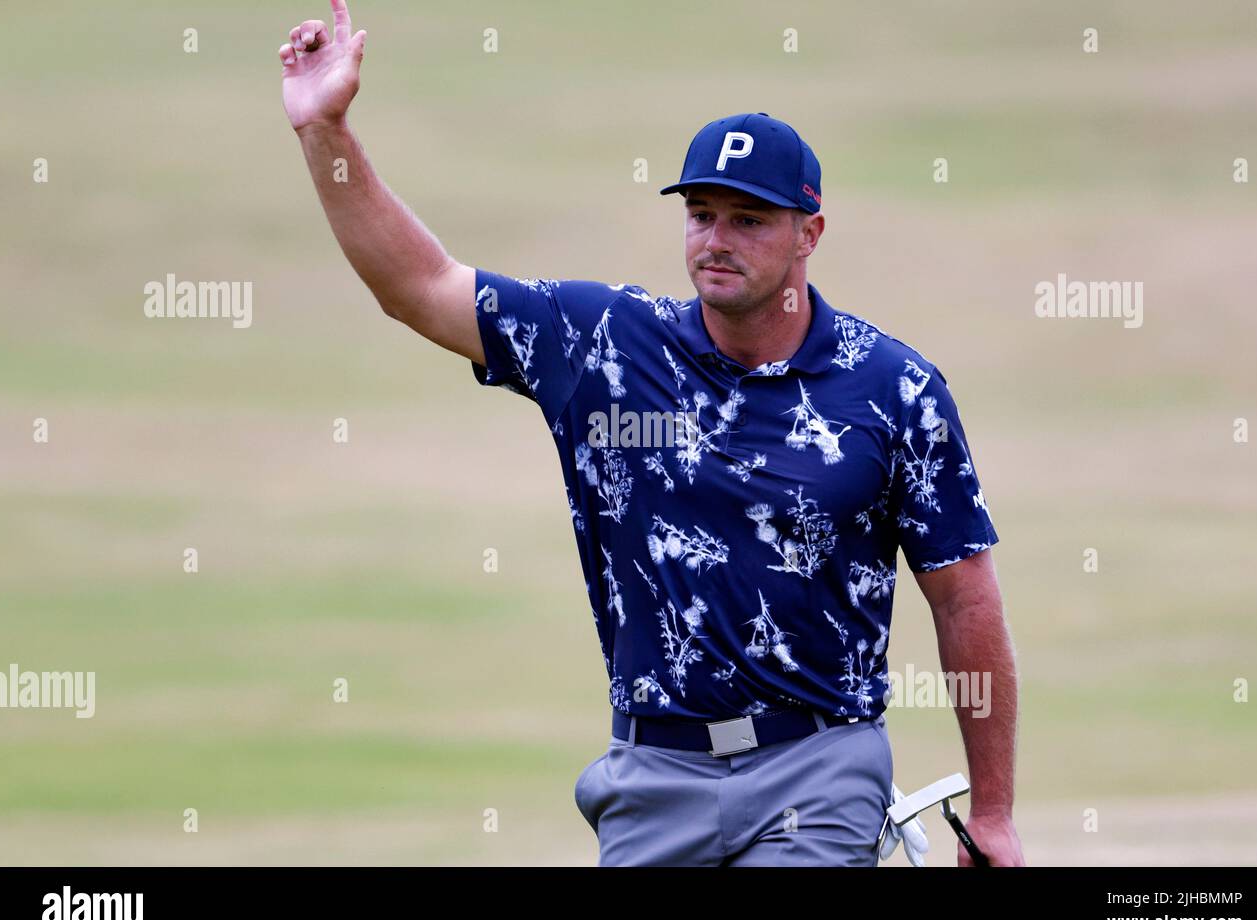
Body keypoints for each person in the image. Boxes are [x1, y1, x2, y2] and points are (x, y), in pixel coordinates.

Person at [279, 0, 1025, 866]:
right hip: (652, 772)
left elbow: (963, 596)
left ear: (808, 234)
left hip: (819, 767)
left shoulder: (895, 390)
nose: (717, 238)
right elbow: (422, 288)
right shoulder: (604, 345)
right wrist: (325, 133)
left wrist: (996, 810)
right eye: (701, 212)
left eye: (749, 219)